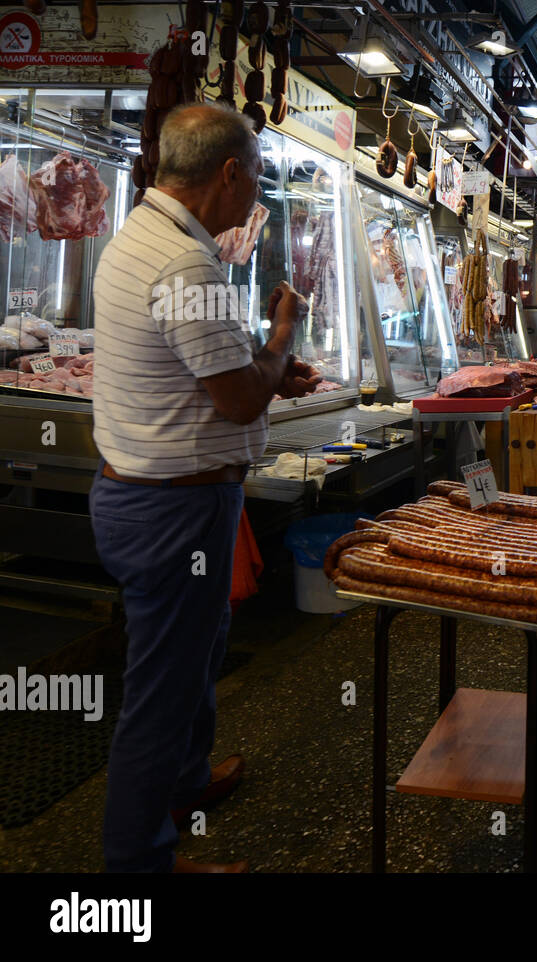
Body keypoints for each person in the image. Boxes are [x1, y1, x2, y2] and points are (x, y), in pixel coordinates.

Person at [90, 103, 318, 873]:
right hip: (172, 510)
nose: (256, 190)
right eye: (256, 174)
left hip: (157, 496)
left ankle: (185, 786)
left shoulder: (147, 235)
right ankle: (137, 869)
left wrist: (269, 372)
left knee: (198, 649)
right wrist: (284, 335)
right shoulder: (185, 262)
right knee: (161, 690)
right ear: (228, 173)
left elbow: (214, 373)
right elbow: (237, 398)